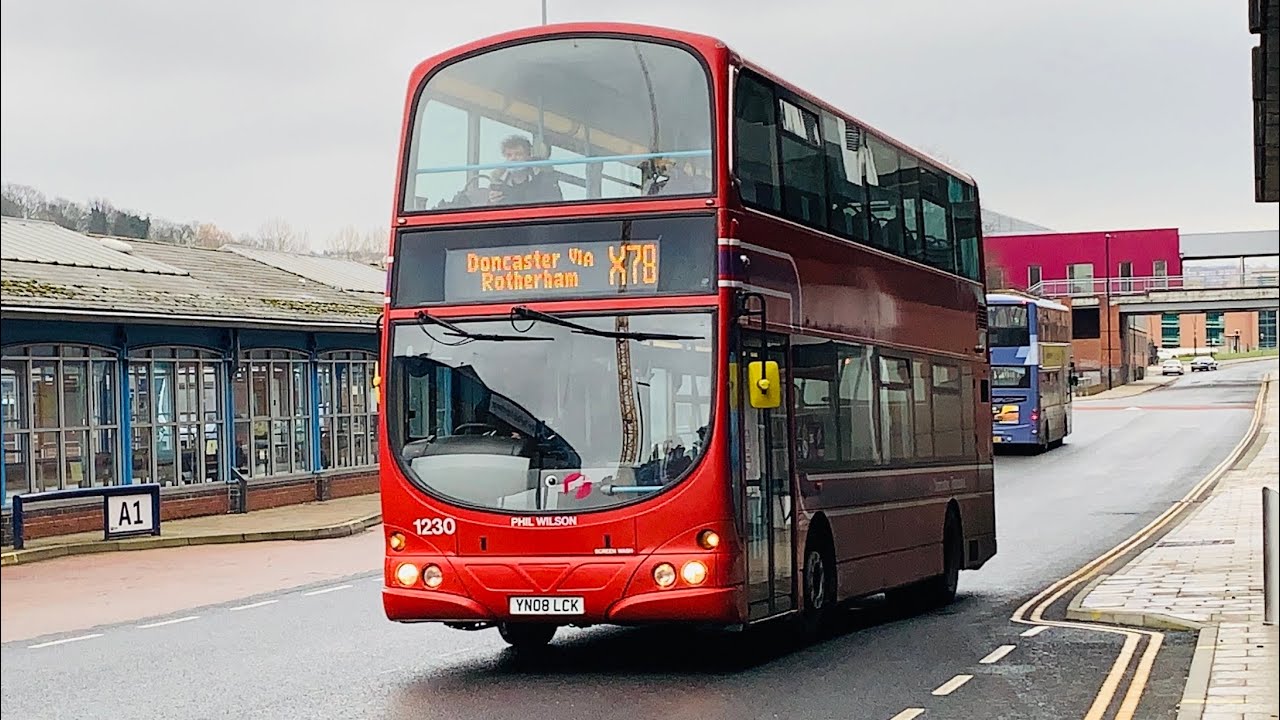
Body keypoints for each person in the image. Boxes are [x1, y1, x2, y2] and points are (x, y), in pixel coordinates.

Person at [489, 135, 562, 205]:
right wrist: (492, 202)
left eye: (518, 154)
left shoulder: (545, 178)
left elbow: (556, 204)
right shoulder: (497, 183)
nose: (513, 158)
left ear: (528, 156)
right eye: (509, 155)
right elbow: (489, 208)